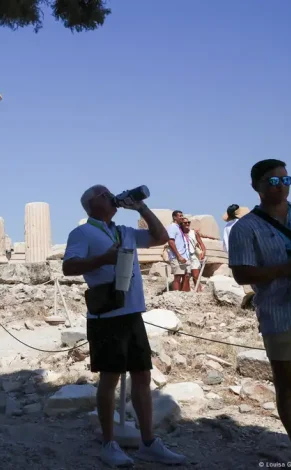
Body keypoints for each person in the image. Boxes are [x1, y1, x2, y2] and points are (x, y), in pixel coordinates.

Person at [63, 185, 185, 467]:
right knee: (109, 380)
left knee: (142, 376)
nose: (112, 195)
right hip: (106, 316)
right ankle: (109, 443)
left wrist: (140, 208)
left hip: (131, 313)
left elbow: (161, 237)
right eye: (105, 194)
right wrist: (103, 259)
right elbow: (69, 267)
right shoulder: (82, 233)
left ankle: (148, 442)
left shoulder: (124, 231)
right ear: (93, 204)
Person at [228, 159, 291, 463]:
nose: (281, 186)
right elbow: (242, 274)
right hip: (280, 313)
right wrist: (288, 268)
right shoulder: (245, 228)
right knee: (288, 385)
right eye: (272, 181)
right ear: (256, 186)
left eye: (286, 179)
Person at [180, 217, 206, 291]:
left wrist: (203, 252)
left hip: (193, 255)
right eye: (185, 223)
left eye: (188, 222)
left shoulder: (193, 232)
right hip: (184, 256)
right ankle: (185, 293)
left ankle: (199, 292)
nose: (187, 224)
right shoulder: (179, 233)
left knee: (196, 275)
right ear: (181, 224)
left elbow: (201, 243)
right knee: (186, 276)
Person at [165, 210, 189, 291]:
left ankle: (183, 295)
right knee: (178, 277)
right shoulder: (172, 227)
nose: (182, 217)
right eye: (180, 216)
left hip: (183, 256)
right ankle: (176, 296)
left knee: (186, 276)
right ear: (174, 217)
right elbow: (171, 242)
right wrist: (178, 256)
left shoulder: (178, 228)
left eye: (182, 215)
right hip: (176, 256)